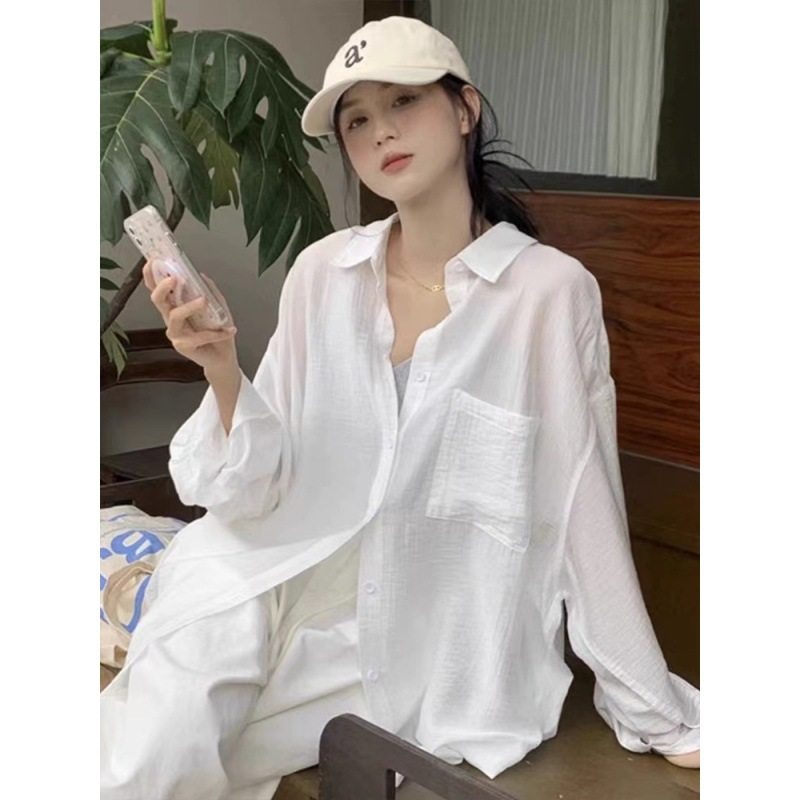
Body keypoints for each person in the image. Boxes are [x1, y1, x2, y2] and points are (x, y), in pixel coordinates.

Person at [100, 14, 700, 800]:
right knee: (157, 733)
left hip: (417, 637)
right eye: (356, 120)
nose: (381, 131)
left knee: (181, 755)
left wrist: (654, 711)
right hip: (265, 572)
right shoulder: (323, 273)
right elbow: (251, 487)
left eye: (404, 101)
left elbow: (582, 501)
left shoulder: (548, 294)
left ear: (465, 108)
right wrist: (219, 368)